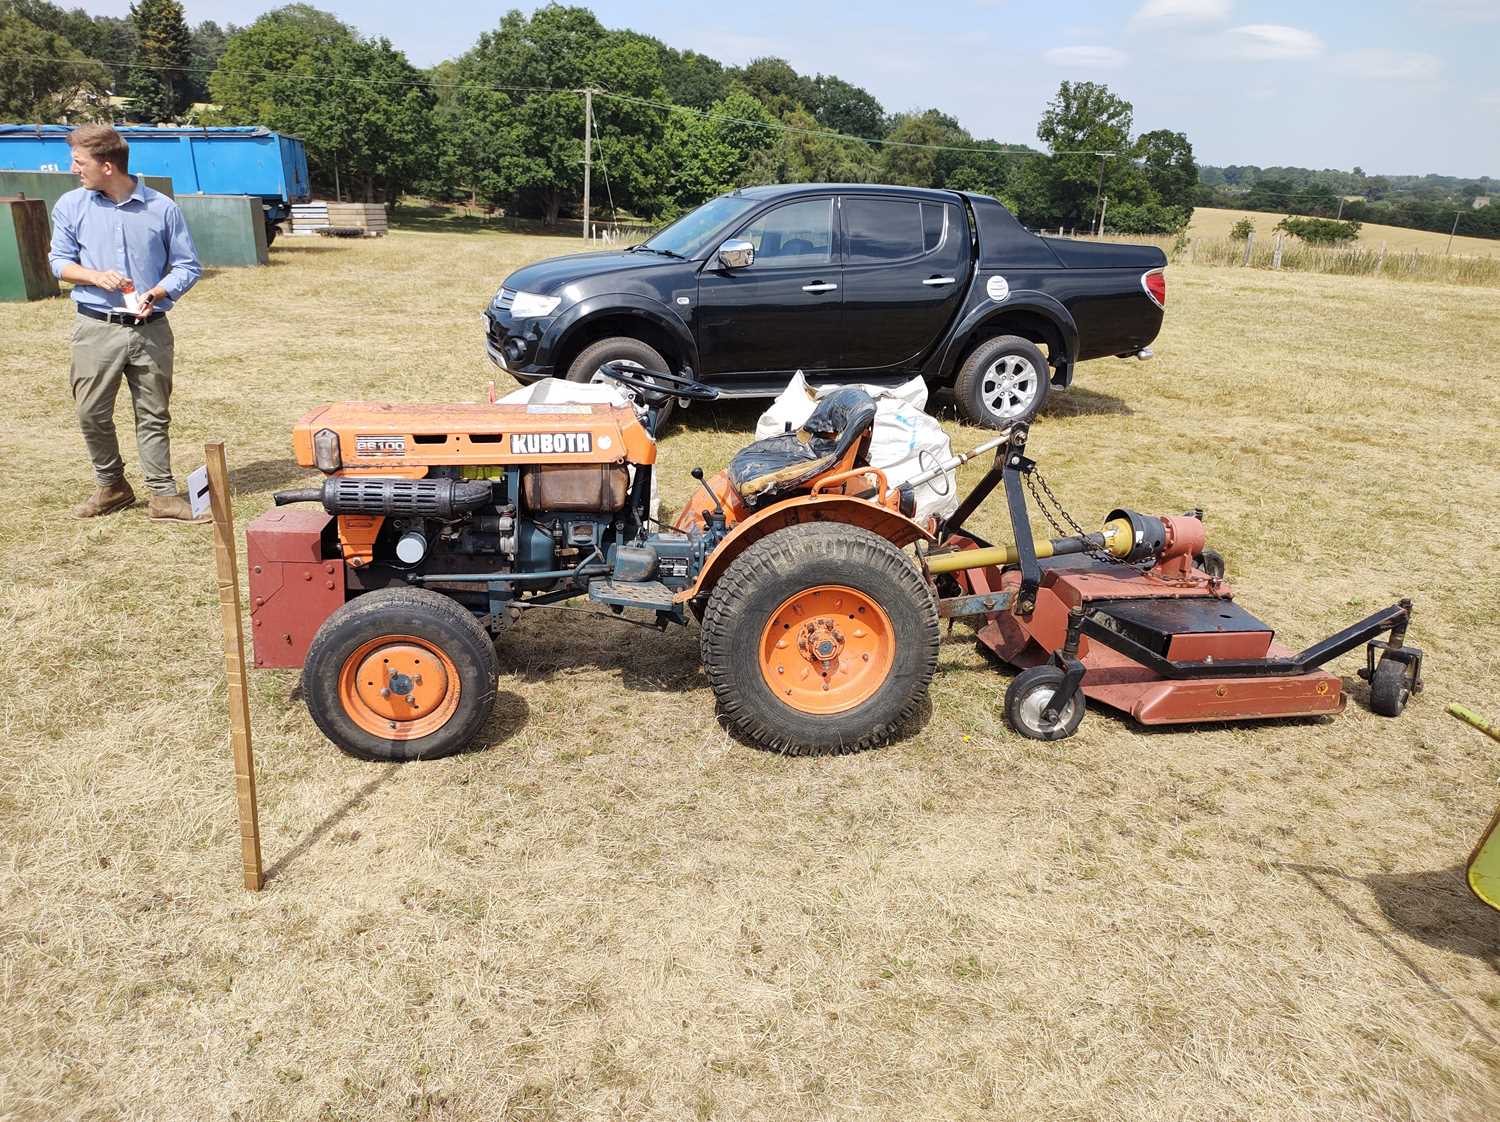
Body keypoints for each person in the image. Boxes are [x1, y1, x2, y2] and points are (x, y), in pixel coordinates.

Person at [48, 123, 205, 522]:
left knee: (153, 413)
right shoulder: (71, 206)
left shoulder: (162, 209)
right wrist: (95, 276)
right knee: (91, 413)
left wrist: (160, 292)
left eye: (79, 161)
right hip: (95, 328)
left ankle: (162, 495)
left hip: (151, 329)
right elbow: (58, 263)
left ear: (106, 166)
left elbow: (188, 266)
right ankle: (112, 485)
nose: (73, 169)